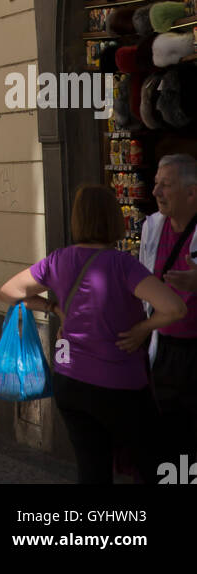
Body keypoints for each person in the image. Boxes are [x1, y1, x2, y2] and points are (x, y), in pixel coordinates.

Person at [0, 183, 184, 485]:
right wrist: (141, 329)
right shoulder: (123, 264)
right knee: (157, 467)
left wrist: (53, 307)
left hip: (70, 383)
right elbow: (175, 308)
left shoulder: (57, 260)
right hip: (120, 384)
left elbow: (7, 292)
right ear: (113, 219)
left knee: (92, 470)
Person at [138, 153, 197, 467]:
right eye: (156, 183)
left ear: (192, 193)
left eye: (166, 185)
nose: (156, 192)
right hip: (163, 352)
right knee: (167, 438)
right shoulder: (152, 227)